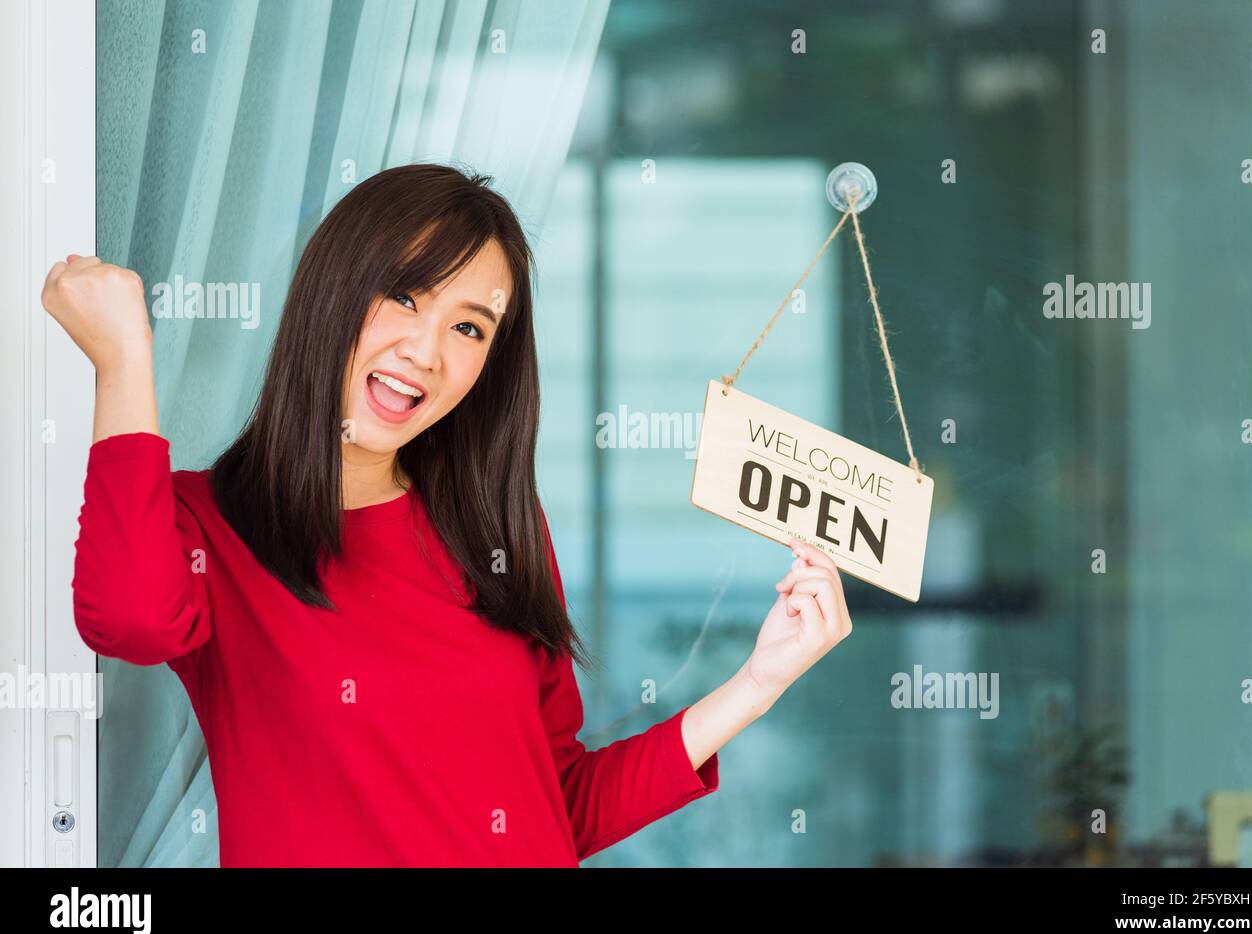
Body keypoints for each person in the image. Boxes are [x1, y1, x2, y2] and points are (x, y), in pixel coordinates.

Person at [42, 163, 854, 867]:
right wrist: (123, 358)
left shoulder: (495, 531)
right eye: (403, 295)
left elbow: (559, 805)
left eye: (469, 326)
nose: (427, 351)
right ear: (331, 291)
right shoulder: (207, 526)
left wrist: (758, 681)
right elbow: (131, 620)